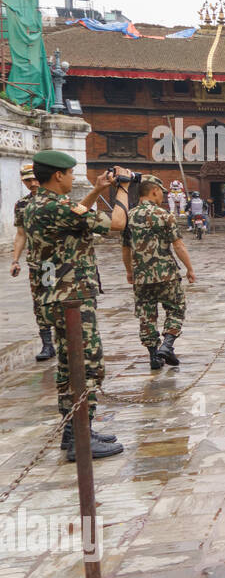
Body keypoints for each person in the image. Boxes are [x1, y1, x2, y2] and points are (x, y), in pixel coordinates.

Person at [21, 151, 129, 461]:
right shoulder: (59, 207)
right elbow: (117, 223)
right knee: (87, 363)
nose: (71, 178)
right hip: (72, 297)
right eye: (70, 174)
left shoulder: (36, 204)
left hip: (53, 296)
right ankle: (80, 437)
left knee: (69, 364)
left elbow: (76, 212)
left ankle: (75, 429)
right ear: (58, 175)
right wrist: (123, 188)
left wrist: (96, 190)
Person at [122, 175, 197, 371]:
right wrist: (189, 268)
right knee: (176, 308)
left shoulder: (128, 216)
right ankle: (167, 345)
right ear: (154, 191)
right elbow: (178, 245)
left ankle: (154, 356)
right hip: (167, 274)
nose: (163, 196)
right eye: (161, 192)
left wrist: (129, 271)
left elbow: (125, 249)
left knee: (146, 315)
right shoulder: (164, 215)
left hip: (141, 276)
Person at [10, 164, 55, 362]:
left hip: (58, 262)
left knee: (58, 301)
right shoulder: (22, 205)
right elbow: (21, 234)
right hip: (39, 263)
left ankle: (66, 340)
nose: (33, 184)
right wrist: (15, 260)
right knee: (40, 302)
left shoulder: (55, 200)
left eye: (35, 179)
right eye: (28, 180)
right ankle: (47, 344)